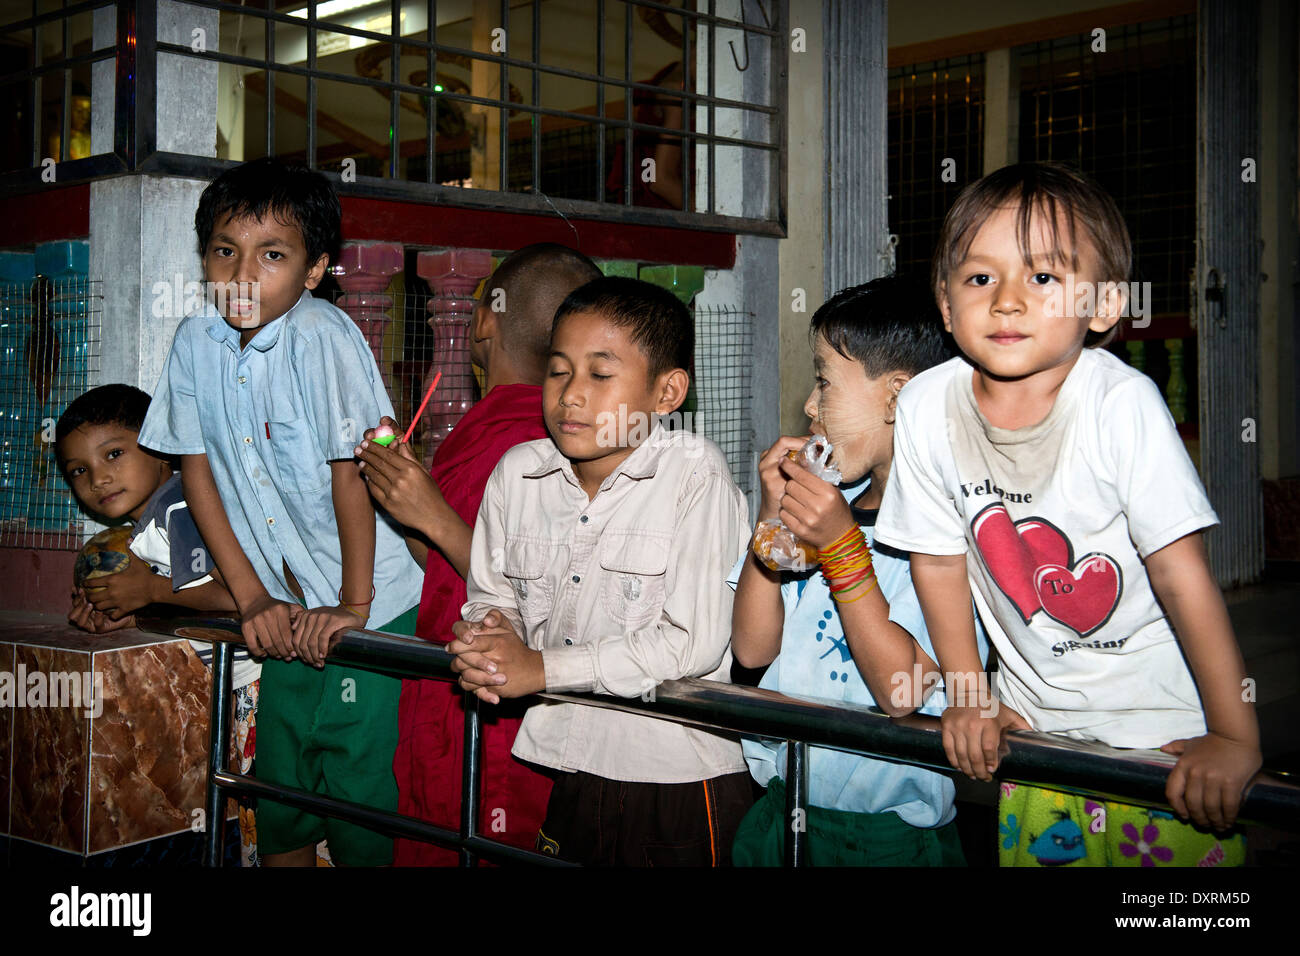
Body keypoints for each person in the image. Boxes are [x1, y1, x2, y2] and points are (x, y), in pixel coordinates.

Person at [875, 162, 1260, 866]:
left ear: (1106, 303)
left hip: (1163, 737)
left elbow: (1181, 575)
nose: (1008, 301)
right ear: (945, 302)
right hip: (1037, 734)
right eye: (980, 278)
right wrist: (969, 697)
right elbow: (937, 561)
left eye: (1043, 278)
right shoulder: (929, 405)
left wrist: (1233, 735)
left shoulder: (1121, 405)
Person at [137, 158, 424, 867]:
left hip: (374, 609)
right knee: (283, 790)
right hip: (287, 614)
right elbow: (196, 472)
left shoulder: (322, 335)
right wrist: (250, 594)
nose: (242, 273)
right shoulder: (193, 345)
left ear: (316, 267)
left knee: (362, 798)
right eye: (224, 250)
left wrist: (352, 606)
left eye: (272, 255)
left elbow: (349, 476)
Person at [447, 276, 752, 865]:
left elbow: (688, 647)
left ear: (667, 393)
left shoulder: (695, 475)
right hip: (573, 763)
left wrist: (540, 667)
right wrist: (486, 638)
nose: (571, 395)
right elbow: (492, 594)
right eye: (558, 370)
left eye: (600, 374)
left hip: (677, 780)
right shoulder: (518, 474)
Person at [354, 242, 601, 865]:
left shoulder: (542, 446)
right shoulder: (493, 427)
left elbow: (534, 594)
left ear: (484, 319)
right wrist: (405, 498)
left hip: (497, 712)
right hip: (449, 691)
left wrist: (431, 511)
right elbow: (445, 566)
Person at [729, 277, 981, 866]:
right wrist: (772, 522)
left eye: (823, 380)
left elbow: (904, 690)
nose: (810, 406)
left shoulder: (949, 532)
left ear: (897, 397)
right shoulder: (833, 503)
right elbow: (751, 649)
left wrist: (843, 546)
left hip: (887, 838)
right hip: (781, 802)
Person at [57, 383, 263, 865]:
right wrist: (134, 612)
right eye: (80, 471)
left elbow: (243, 599)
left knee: (265, 826)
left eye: (113, 454)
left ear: (160, 446)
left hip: (258, 685)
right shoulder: (150, 522)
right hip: (234, 688)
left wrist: (148, 591)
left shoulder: (181, 507)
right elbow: (194, 603)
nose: (99, 479)